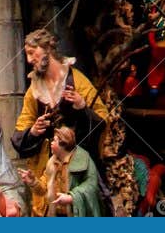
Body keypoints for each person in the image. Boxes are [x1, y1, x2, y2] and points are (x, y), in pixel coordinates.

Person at [11, 28, 108, 178]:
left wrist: (82, 107)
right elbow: (20, 135)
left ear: (47, 48)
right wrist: (34, 131)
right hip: (48, 170)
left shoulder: (77, 81)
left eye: (32, 52)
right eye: (27, 55)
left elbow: (102, 121)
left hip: (78, 165)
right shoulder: (34, 91)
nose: (29, 60)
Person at [21, 124, 103, 215]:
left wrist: (72, 197)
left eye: (54, 141)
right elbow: (44, 189)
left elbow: (91, 185)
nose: (51, 143)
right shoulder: (52, 163)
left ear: (63, 144)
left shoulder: (83, 159)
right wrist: (33, 182)